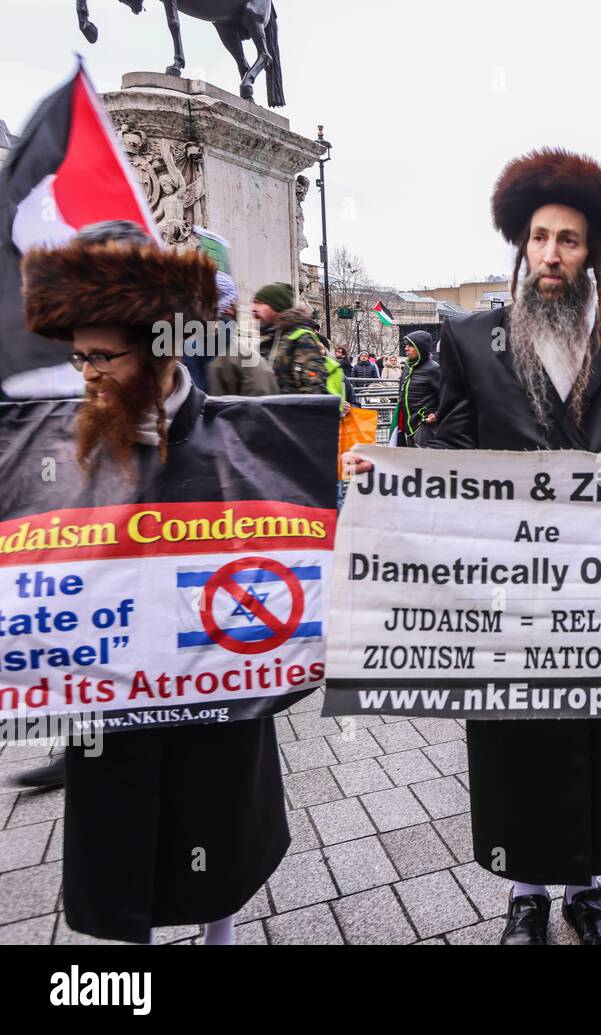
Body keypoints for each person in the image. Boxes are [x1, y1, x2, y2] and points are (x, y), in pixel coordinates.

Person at [350, 149, 601, 946]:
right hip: (504, 595)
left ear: (593, 253)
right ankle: (525, 892)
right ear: (521, 247)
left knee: (593, 731)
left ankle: (586, 890)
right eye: (540, 238)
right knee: (514, 737)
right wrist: (384, 472)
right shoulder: (471, 337)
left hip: (595, 598)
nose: (553, 254)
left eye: (569, 240)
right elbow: (449, 444)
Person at [18, 225, 307, 945]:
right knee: (121, 865)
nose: (87, 373)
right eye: (79, 355)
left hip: (218, 692)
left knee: (219, 840)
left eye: (104, 356)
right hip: (111, 712)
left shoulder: (244, 436)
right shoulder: (49, 448)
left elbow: (293, 554)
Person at [252, 282, 330, 396]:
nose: (253, 308)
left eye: (260, 303)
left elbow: (315, 394)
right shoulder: (268, 341)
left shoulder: (301, 339)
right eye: (254, 302)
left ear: (276, 307)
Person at [395, 331, 441, 447]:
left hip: (426, 426)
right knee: (411, 462)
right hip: (408, 425)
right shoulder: (406, 367)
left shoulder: (434, 369)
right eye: (405, 345)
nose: (406, 348)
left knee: (425, 462)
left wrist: (437, 414)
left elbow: (449, 396)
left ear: (420, 348)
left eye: (410, 345)